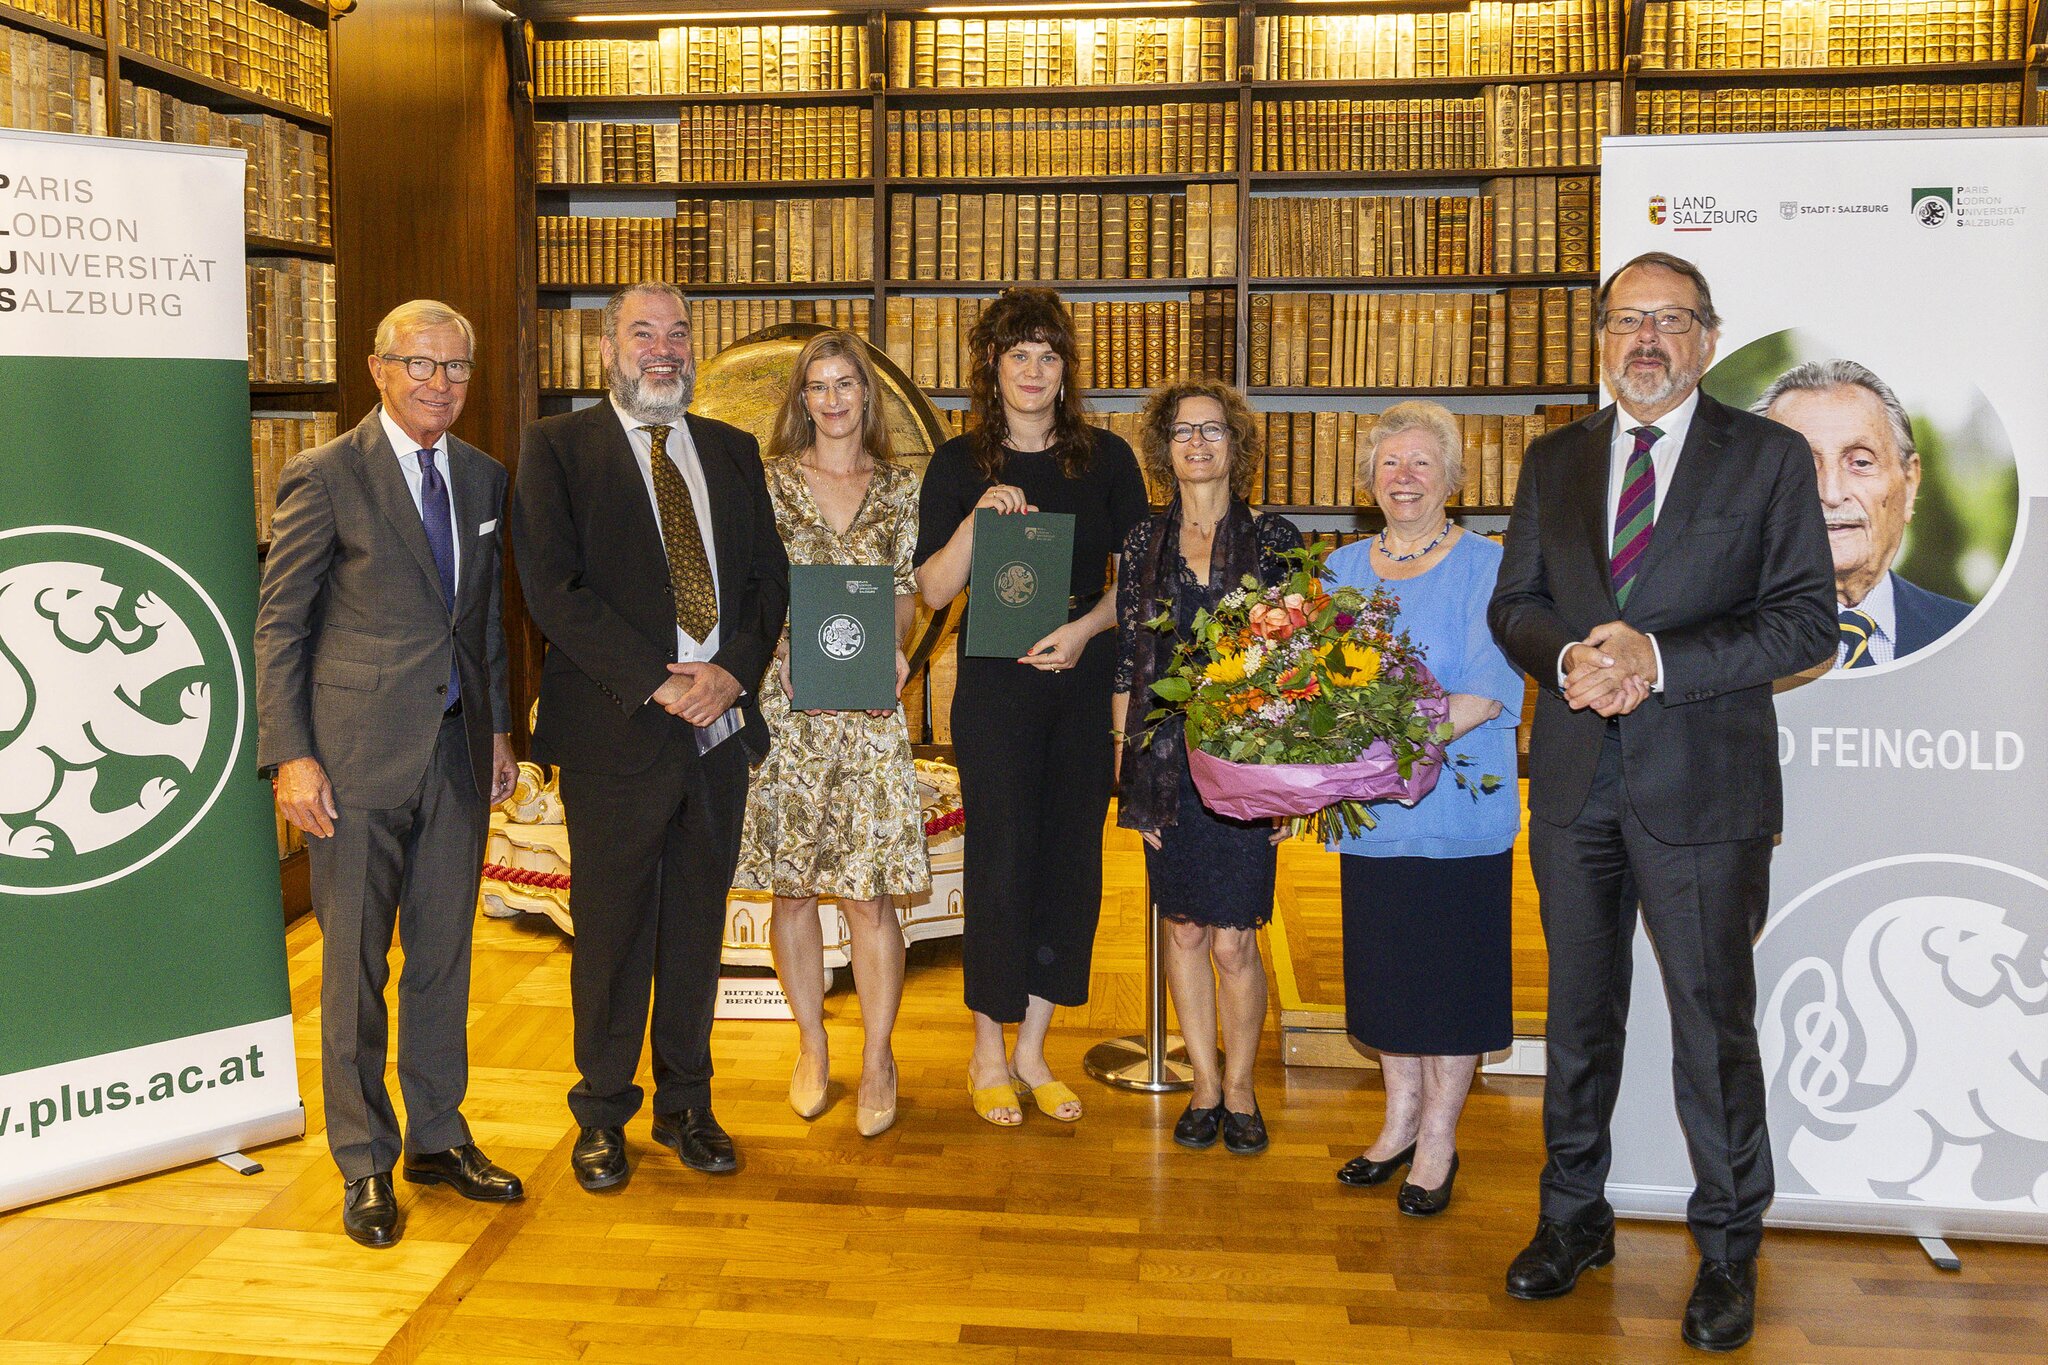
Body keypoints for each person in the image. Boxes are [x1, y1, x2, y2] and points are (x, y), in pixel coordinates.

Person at [1488, 251, 1835, 1352]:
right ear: (1599, 338)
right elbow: (1516, 605)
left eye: (1669, 321)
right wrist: (1572, 660)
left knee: (1708, 1029)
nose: (1645, 340)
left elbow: (1802, 624)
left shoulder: (1769, 458)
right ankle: (1570, 1218)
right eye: (1625, 321)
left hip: (1704, 790)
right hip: (1576, 783)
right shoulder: (1553, 459)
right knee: (1578, 1023)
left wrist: (1656, 657)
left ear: (1706, 338)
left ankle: (1727, 1249)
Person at [509, 282, 789, 1190]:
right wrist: (661, 680)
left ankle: (688, 1104)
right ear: (608, 349)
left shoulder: (733, 450)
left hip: (717, 730)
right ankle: (600, 1112)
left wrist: (731, 672)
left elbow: (764, 585)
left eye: (676, 333)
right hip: (619, 727)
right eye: (642, 333)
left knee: (696, 926)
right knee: (614, 928)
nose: (662, 348)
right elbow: (553, 590)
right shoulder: (558, 448)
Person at [255, 299, 521, 1248]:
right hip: (353, 762)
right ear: (376, 367)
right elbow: (280, 625)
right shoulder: (324, 475)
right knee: (356, 967)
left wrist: (496, 732)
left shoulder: (486, 476)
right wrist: (291, 755)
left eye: (455, 367)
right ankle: (365, 1158)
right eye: (420, 364)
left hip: (455, 753)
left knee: (444, 960)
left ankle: (438, 1136)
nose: (438, 383)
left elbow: (482, 620)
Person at [914, 286, 1151, 1127]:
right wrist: (977, 522)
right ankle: (985, 1049)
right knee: (1000, 861)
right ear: (991, 364)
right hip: (995, 685)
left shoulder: (1108, 459)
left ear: (1066, 368)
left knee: (1070, 865)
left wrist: (1086, 629)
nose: (1034, 370)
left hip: (1080, 682)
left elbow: (1141, 585)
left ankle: (1034, 1049)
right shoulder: (958, 464)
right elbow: (932, 588)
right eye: (1019, 353)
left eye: (1049, 354)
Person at [1323, 401, 1523, 1215]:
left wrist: (1384, 738)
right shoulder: (1337, 569)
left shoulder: (1491, 565)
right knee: (1390, 978)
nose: (1403, 478)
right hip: (1372, 819)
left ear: (1452, 479)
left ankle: (1439, 1136)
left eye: (1421, 463)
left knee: (1451, 984)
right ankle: (1398, 1118)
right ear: (1369, 480)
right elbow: (1322, 687)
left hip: (1459, 812)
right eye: (1389, 463)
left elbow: (1485, 688)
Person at [734, 331, 926, 1139]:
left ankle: (879, 1054)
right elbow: (753, 587)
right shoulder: (769, 485)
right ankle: (812, 1044)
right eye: (819, 384)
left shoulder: (899, 490)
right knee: (794, 888)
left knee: (871, 893)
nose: (835, 398)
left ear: (867, 396)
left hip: (870, 715)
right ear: (800, 398)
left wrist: (898, 651)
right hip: (791, 711)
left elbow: (909, 594)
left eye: (848, 383)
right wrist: (772, 642)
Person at [1112, 381, 1300, 1157]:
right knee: (1184, 929)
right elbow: (1126, 665)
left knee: (1234, 941)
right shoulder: (1138, 543)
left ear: (1236, 444)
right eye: (1183, 432)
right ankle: (1203, 1086)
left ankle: (1244, 1083)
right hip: (1162, 764)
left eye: (1212, 430)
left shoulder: (1277, 539)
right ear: (1165, 449)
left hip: (1245, 766)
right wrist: (1128, 781)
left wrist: (1292, 781)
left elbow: (1299, 667)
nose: (1197, 443)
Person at [1754, 358, 1972, 666]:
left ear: (1909, 485)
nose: (1831, 494)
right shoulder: (1706, 643)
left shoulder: (1969, 633)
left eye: (1861, 462)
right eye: (1799, 466)